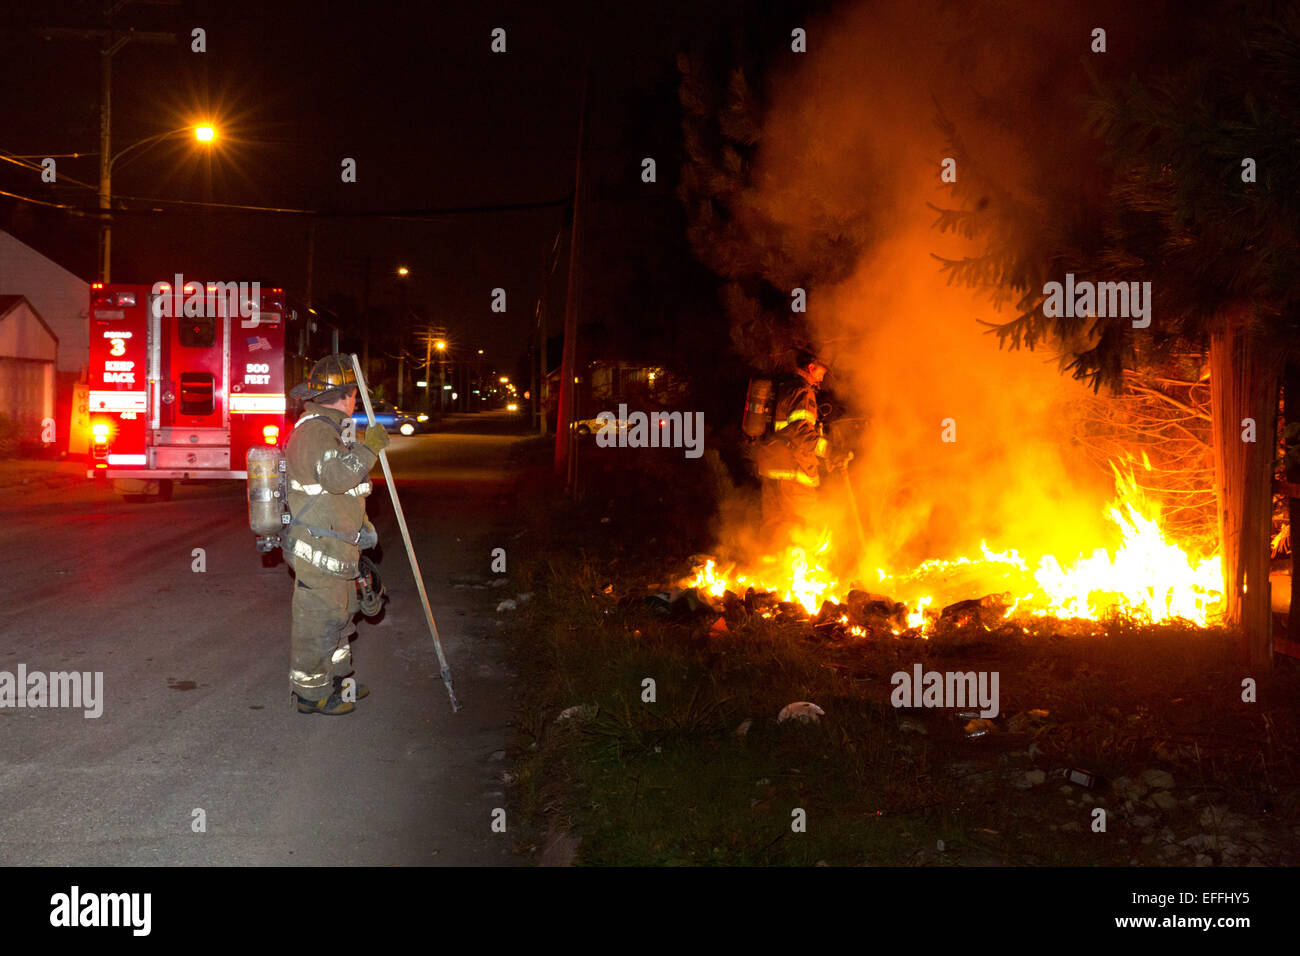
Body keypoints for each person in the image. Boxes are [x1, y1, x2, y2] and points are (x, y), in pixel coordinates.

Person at [285, 355, 389, 716]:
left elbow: (346, 492)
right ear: (344, 395)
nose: (357, 401)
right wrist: (369, 449)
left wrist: (363, 535)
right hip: (318, 547)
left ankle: (340, 680)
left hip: (337, 545)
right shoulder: (315, 432)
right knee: (319, 620)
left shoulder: (330, 429)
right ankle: (311, 694)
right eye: (355, 394)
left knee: (341, 618)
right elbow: (336, 478)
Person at [754, 350, 832, 546]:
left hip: (771, 467)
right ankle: (810, 570)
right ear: (811, 367)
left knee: (775, 529)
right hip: (794, 470)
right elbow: (800, 429)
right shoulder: (802, 391)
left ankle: (772, 570)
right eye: (821, 372)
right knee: (807, 528)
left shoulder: (782, 386)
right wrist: (829, 450)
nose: (822, 378)